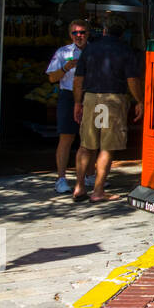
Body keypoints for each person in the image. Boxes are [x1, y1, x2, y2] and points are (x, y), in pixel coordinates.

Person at [72, 19, 143, 203]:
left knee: (86, 145)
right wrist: (139, 100)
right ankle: (98, 191)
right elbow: (132, 80)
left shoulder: (90, 48)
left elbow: (78, 79)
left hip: (91, 98)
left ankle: (79, 187)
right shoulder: (125, 50)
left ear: (104, 31)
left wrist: (77, 102)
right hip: (113, 99)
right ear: (122, 34)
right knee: (107, 147)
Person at [46, 20, 92, 194]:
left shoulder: (94, 50)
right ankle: (61, 178)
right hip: (68, 95)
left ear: (88, 33)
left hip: (90, 95)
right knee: (66, 137)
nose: (78, 36)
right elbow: (51, 78)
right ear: (70, 35)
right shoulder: (63, 52)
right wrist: (65, 67)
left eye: (82, 32)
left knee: (91, 138)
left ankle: (89, 175)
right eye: (75, 33)